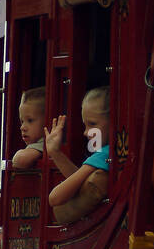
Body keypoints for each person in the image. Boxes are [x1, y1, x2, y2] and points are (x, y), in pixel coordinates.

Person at [46, 87, 110, 216]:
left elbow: (55, 198)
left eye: (92, 124)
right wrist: (55, 152)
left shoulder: (105, 154)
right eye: (85, 125)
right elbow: (79, 179)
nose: (86, 132)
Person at [12, 87, 47, 169]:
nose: (22, 127)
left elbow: (21, 160)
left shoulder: (44, 143)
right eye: (22, 121)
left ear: (47, 121)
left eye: (30, 120)